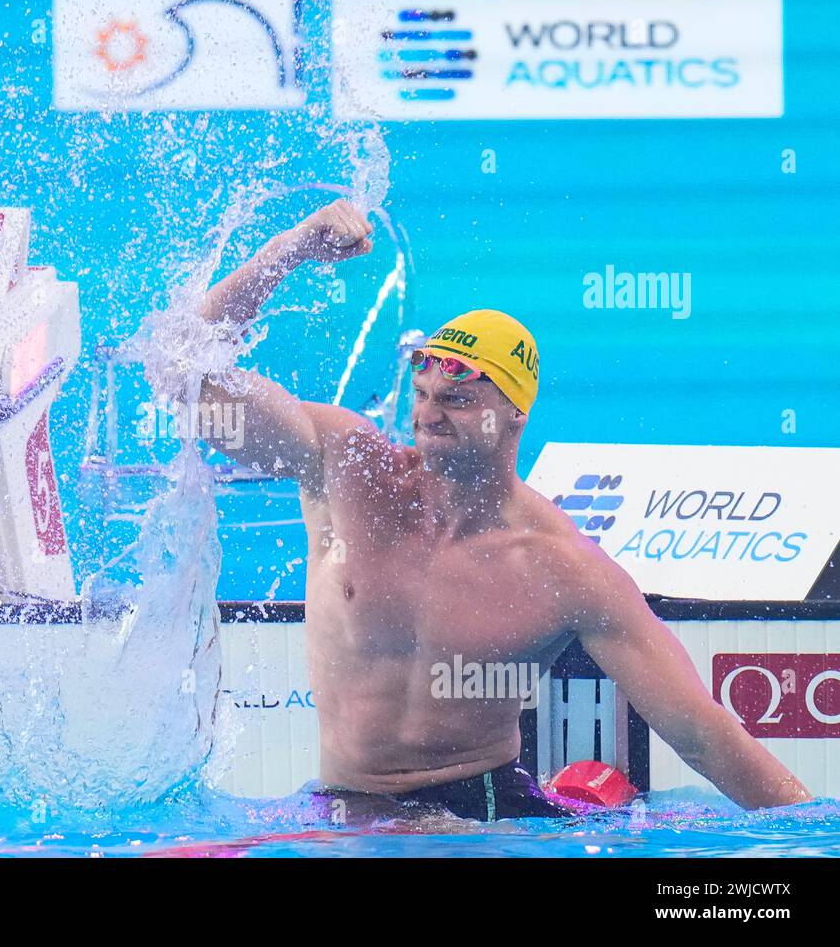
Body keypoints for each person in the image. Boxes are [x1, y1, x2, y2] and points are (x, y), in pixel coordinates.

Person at [194, 199, 813, 822]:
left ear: (514, 413)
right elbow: (187, 376)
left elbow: (700, 732)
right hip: (346, 808)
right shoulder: (349, 469)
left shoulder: (563, 567)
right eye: (424, 394)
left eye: (457, 400)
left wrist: (813, 831)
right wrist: (290, 250)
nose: (428, 417)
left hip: (483, 818)